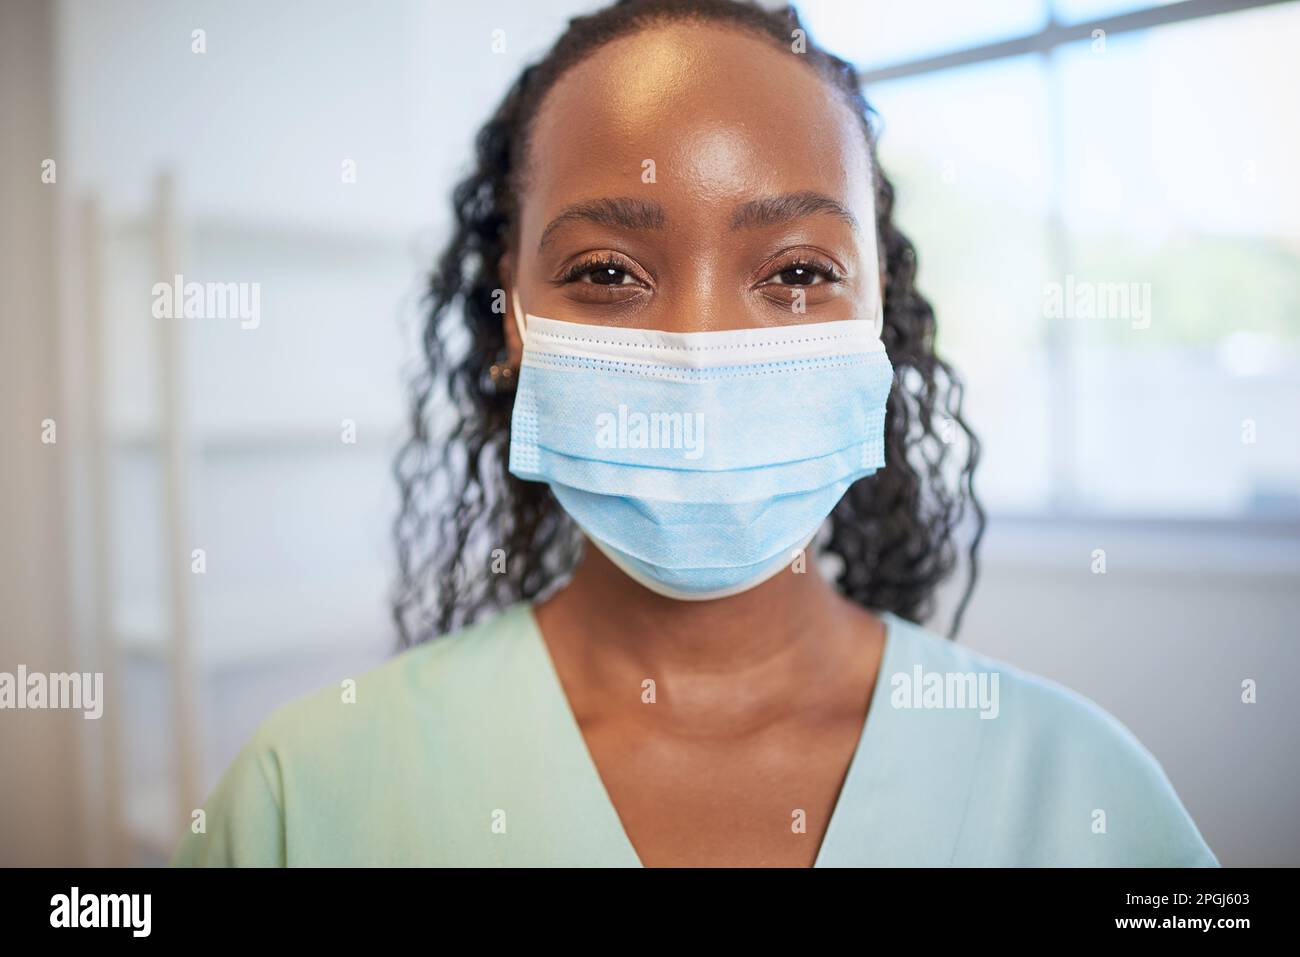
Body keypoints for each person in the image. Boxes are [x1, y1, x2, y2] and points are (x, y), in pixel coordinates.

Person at [171, 0, 1216, 867]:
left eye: (798, 273)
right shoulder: (304, 801)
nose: (699, 349)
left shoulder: (1081, 792)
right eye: (606, 273)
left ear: (876, 315)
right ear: (514, 322)